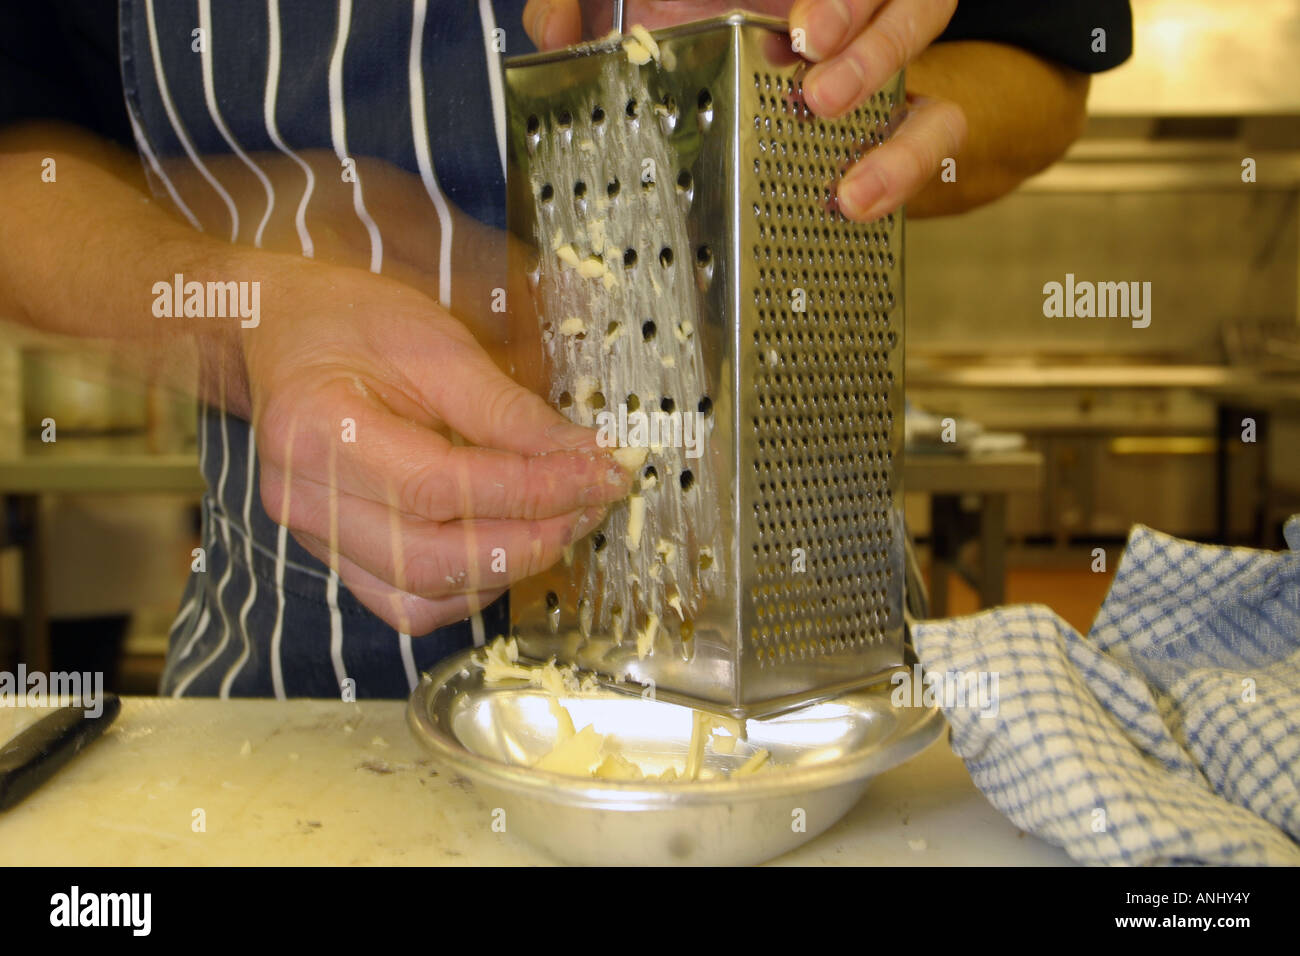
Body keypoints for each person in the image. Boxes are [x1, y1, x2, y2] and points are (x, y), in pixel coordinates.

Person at [0, 0, 1132, 698]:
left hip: (794, 693)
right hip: (286, 699)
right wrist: (235, 313)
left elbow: (1050, 56)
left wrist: (809, 110)